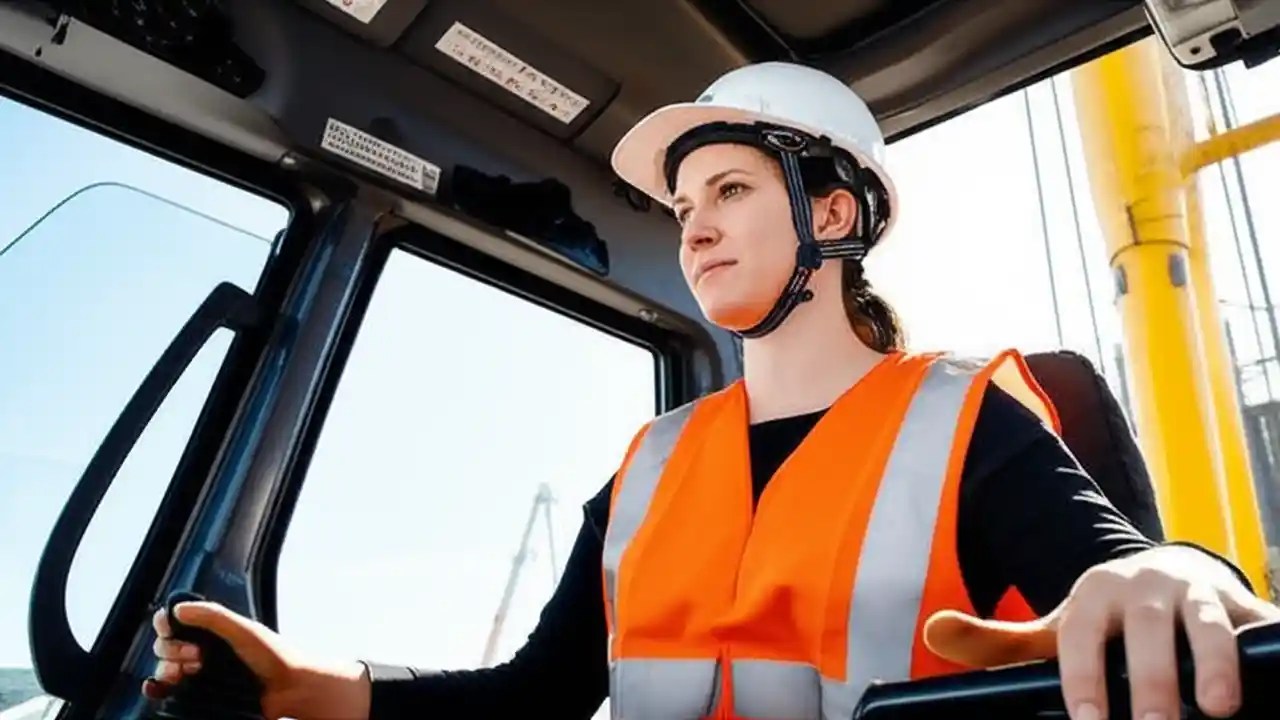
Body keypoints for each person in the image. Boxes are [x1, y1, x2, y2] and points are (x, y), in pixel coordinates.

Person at [144, 61, 1279, 720]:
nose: (694, 224)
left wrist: (1178, 572)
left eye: (728, 188)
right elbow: (533, 701)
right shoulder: (650, 464)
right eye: (683, 205)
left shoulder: (959, 420)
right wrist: (301, 685)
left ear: (833, 214)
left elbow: (1126, 569)